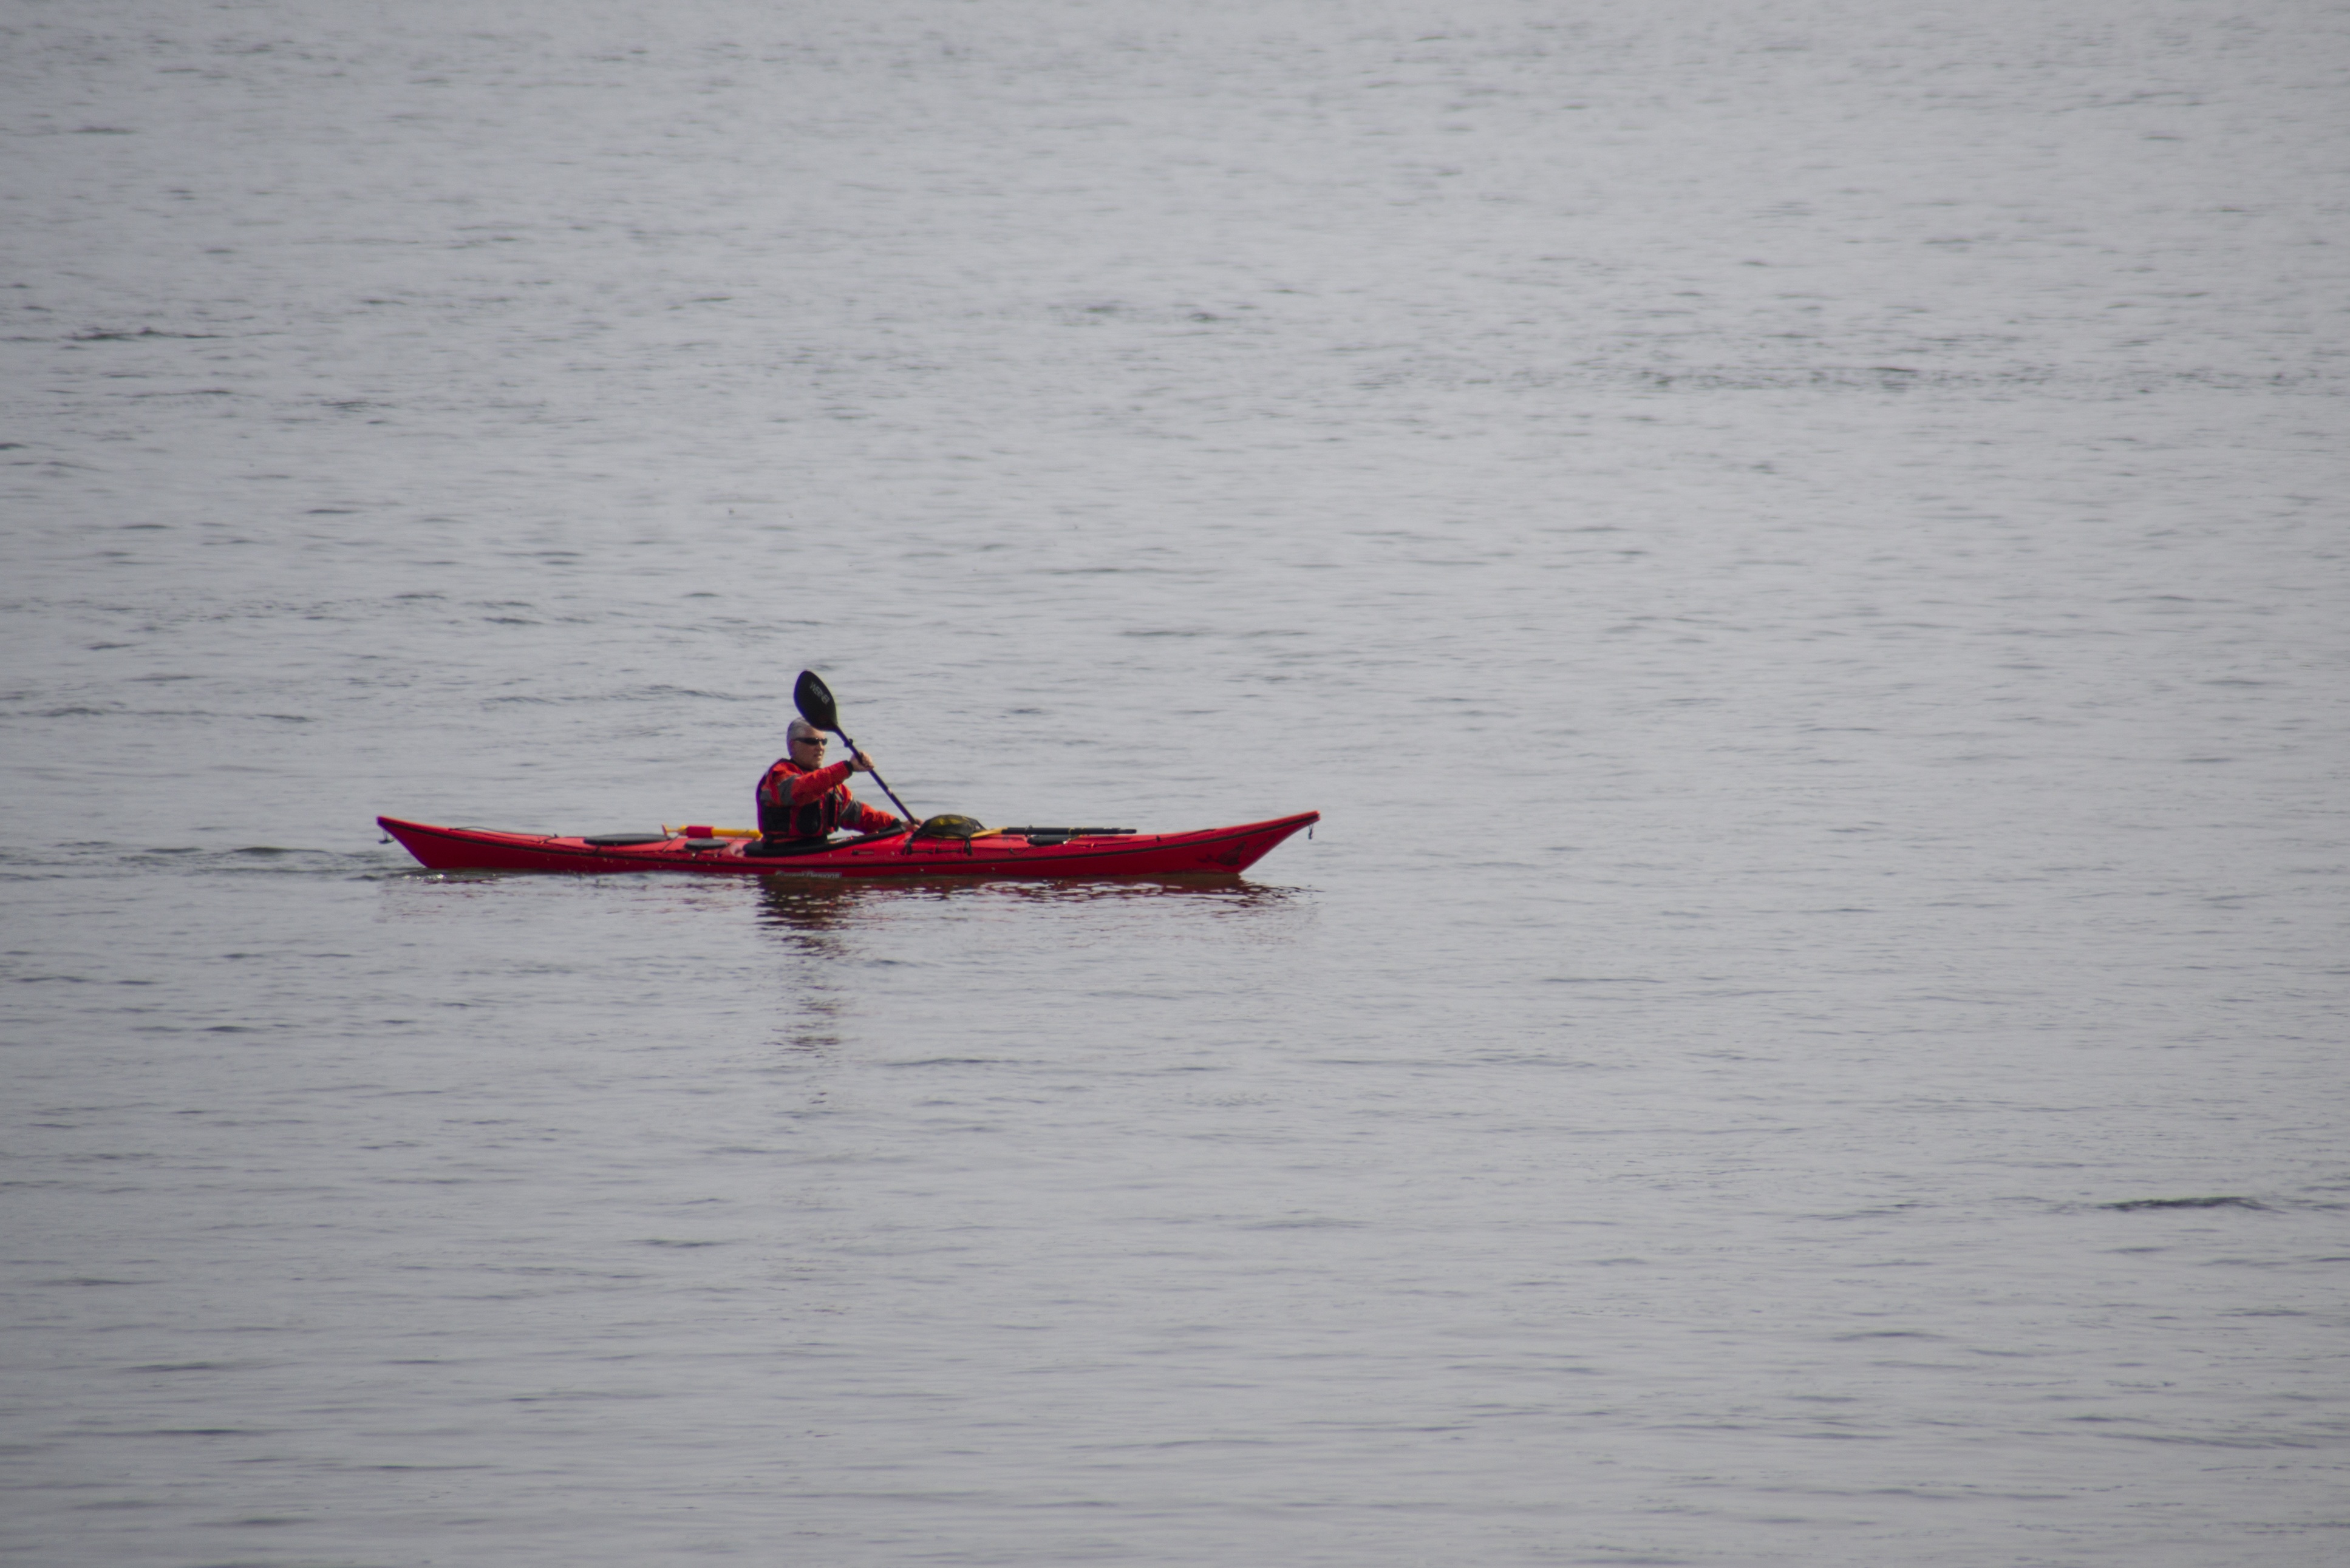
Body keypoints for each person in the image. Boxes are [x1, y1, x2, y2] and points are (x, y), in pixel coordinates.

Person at [752, 718, 905, 848]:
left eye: (823, 742)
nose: (820, 748)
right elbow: (802, 791)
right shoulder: (779, 775)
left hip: (817, 849)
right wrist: (848, 767)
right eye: (813, 742)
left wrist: (897, 825)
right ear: (793, 746)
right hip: (782, 852)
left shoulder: (828, 782)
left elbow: (860, 815)